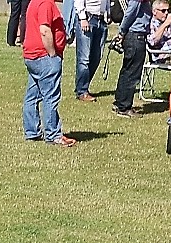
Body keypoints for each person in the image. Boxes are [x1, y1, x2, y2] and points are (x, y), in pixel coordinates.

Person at [23, 0, 76, 145]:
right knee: (50, 96)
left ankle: (31, 131)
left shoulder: (34, 2)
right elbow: (44, 30)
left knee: (32, 96)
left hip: (32, 56)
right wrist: (52, 54)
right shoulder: (45, 3)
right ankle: (53, 134)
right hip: (43, 57)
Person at [113, 0, 151, 113]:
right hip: (135, 35)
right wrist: (122, 30)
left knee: (127, 70)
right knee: (132, 73)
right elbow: (131, 11)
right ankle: (124, 107)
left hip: (135, 35)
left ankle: (120, 102)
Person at [70, 0, 108, 101]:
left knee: (96, 57)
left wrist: (107, 13)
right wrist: (83, 17)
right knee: (84, 58)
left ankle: (82, 85)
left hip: (101, 19)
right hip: (88, 17)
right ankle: (82, 91)